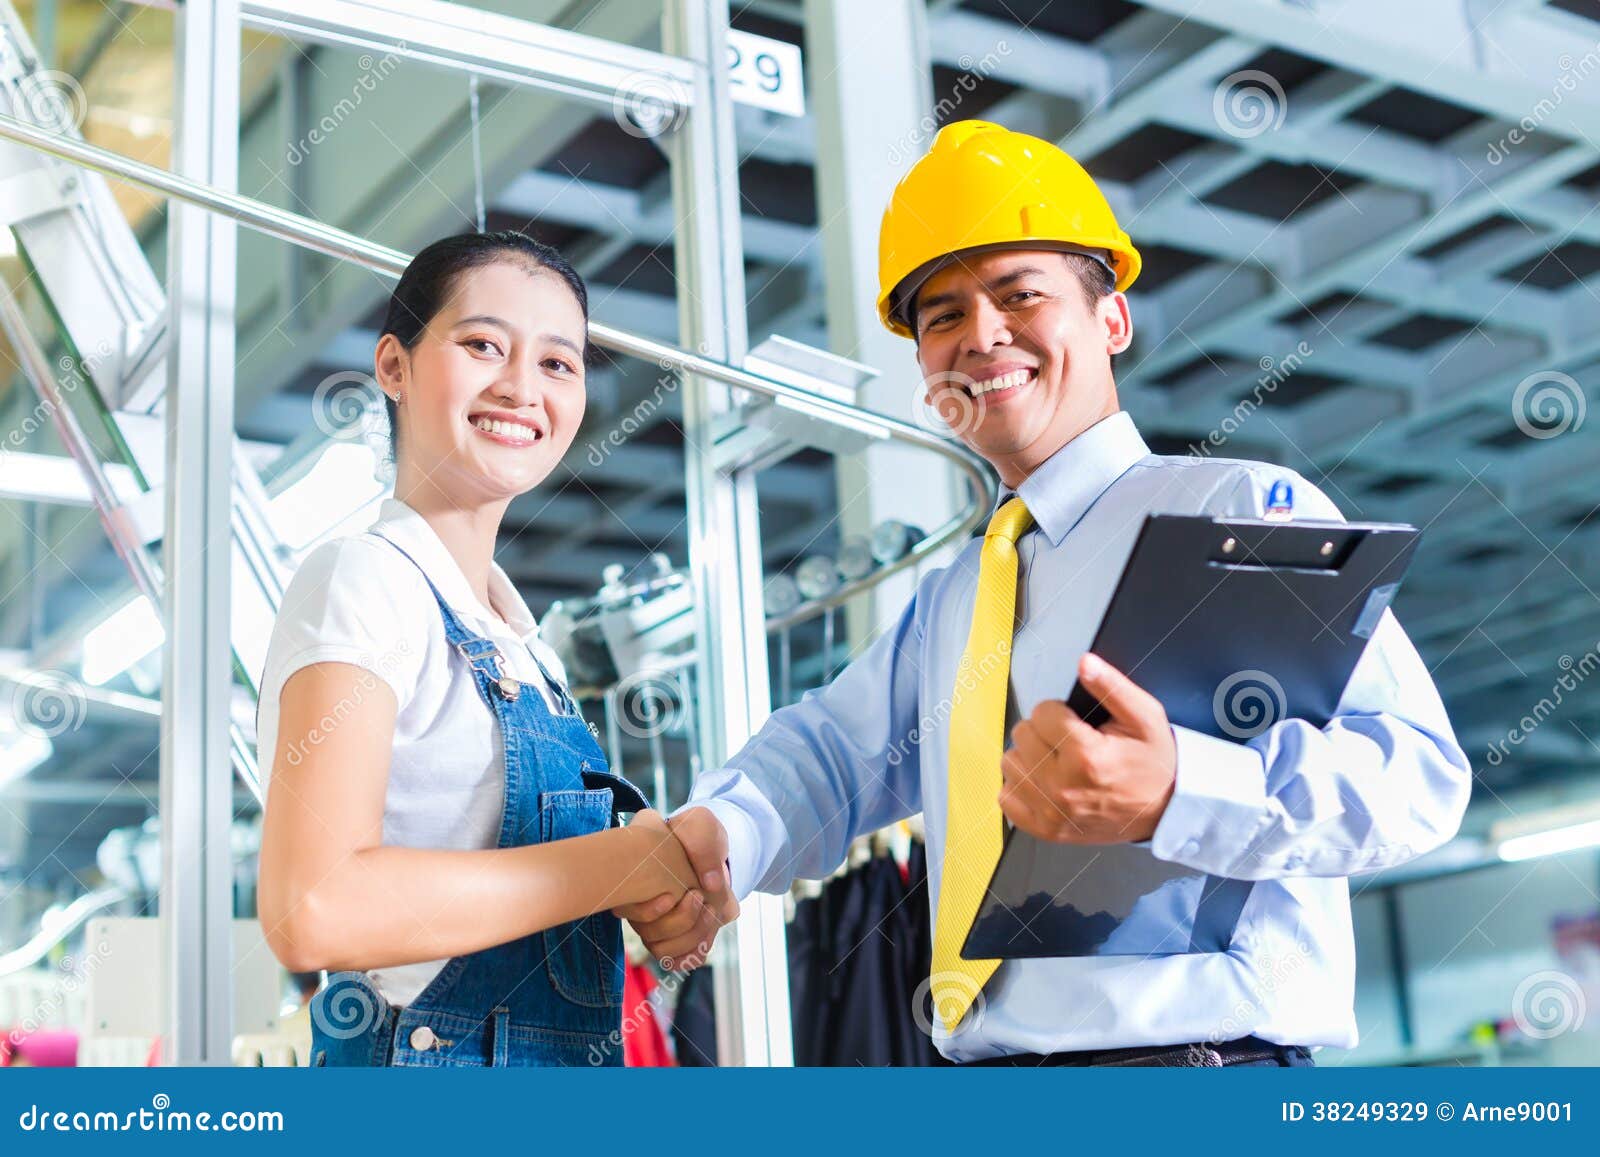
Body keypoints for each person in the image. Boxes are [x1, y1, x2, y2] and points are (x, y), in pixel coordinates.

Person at [617, 121, 1472, 1066]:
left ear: (1112, 319)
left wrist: (1182, 788)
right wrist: (713, 838)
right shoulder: (955, 601)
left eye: (1019, 293)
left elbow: (1417, 779)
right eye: (942, 315)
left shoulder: (1238, 510)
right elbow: (833, 754)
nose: (981, 334)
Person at [256, 231, 697, 1067]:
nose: (521, 387)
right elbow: (312, 907)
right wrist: (615, 865)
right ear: (393, 366)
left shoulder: (530, 653)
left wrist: (658, 895)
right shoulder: (365, 578)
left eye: (558, 364)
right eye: (484, 344)